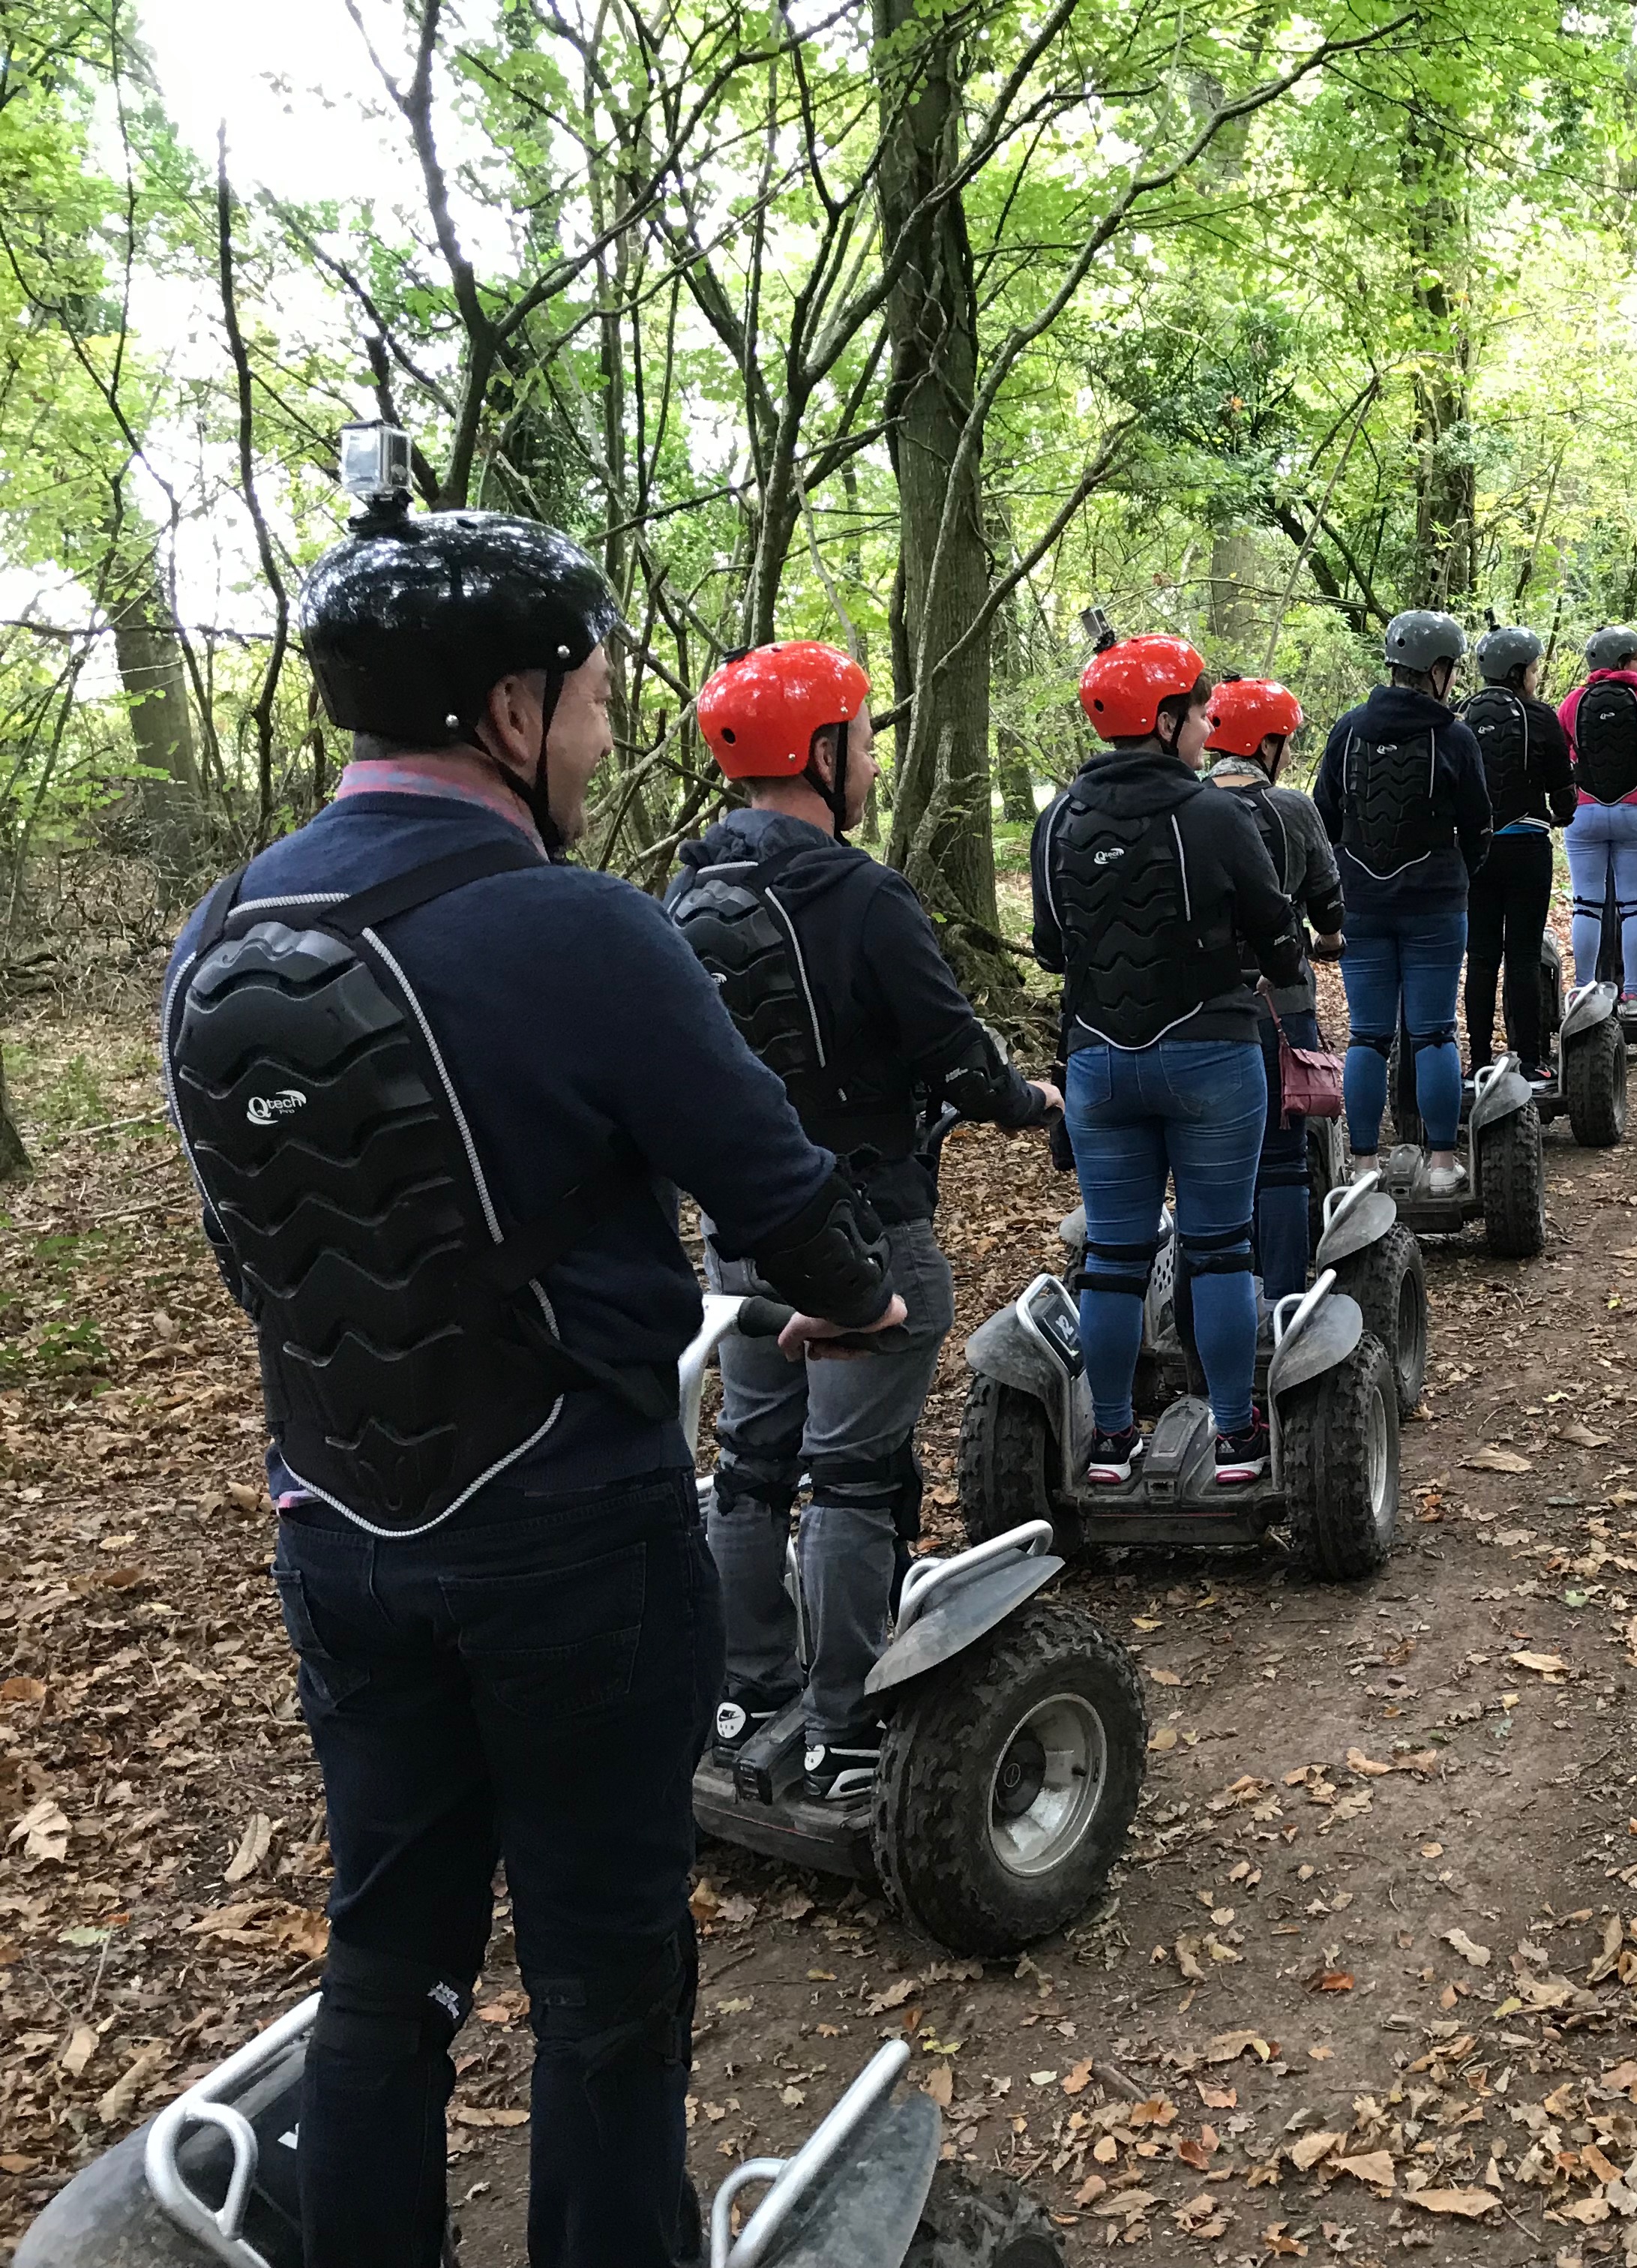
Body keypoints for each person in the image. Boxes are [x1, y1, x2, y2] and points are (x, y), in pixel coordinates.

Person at [161, 481, 900, 2267]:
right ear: (508, 710)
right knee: (605, 1966)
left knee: (386, 1946)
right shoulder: (579, 930)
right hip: (575, 1536)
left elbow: (257, 1250)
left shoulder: (219, 936)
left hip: (335, 1530)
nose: (596, 732)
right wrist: (856, 1309)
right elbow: (781, 1196)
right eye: (583, 701)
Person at [667, 640, 1060, 1802]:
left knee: (751, 1461)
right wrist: (1024, 1099)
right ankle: (844, 1731)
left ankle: (747, 1691)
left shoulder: (683, 899)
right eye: (864, 738)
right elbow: (953, 1049)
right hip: (864, 1231)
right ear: (822, 752)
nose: (876, 759)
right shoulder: (864, 896)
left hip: (740, 1239)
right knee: (849, 1471)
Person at [1033, 631, 1309, 1486]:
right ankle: (1233, 1436)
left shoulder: (1054, 824)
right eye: (1195, 710)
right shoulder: (1215, 814)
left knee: (1114, 1256)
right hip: (1213, 1060)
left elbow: (1050, 950)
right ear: (1163, 721)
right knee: (1219, 1247)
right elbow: (1279, 936)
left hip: (1099, 1067)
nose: (1204, 724)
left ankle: (1110, 1441)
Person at [1312, 610, 1492, 1197]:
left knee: (1367, 1036)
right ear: (1437, 670)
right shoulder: (1455, 737)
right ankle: (1442, 1164)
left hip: (1360, 902)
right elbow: (1479, 827)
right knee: (1434, 1033)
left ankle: (1364, 1166)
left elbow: (1324, 819)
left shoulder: (1347, 731)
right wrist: (1455, 876)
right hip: (1436, 905)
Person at [1204, 674, 1345, 1300]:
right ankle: (1283, 1297)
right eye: (1284, 741)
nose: (1289, 754)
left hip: (1199, 1011)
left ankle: (1217, 1300)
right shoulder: (1293, 810)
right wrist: (1330, 940)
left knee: (1211, 1167)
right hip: (1281, 1006)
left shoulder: (1187, 809)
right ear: (1262, 744)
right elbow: (1329, 905)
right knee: (1282, 1158)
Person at [1458, 624, 1576, 1080]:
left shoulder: (1460, 715)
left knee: (1482, 955)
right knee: (1523, 954)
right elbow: (1563, 791)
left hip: (1475, 852)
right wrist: (1559, 812)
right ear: (1517, 670)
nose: (1536, 674)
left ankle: (1480, 1061)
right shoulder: (1541, 717)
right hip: (1527, 847)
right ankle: (1530, 1060)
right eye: (1532, 667)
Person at [1557, 624, 1637, 1006]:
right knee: (1635, 904)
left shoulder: (1573, 702)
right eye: (1636, 657)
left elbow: (1562, 754)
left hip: (1583, 813)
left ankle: (1583, 989)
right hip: (1635, 812)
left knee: (1586, 904)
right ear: (1624, 661)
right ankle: (1634, 993)